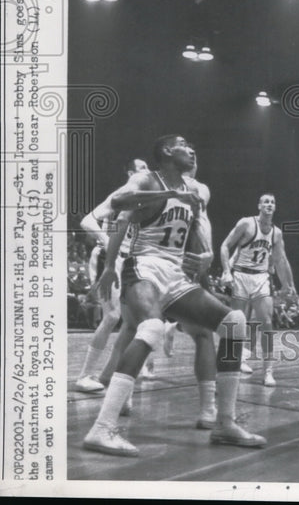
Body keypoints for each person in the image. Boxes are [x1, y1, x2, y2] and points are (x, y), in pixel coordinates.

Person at [83, 134, 265, 456]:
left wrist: (207, 256)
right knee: (150, 328)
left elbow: (196, 232)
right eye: (185, 145)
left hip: (176, 273)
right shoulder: (147, 178)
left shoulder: (195, 191)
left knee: (234, 322)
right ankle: (101, 428)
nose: (193, 150)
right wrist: (110, 265)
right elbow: (118, 206)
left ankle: (224, 423)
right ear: (168, 151)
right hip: (143, 267)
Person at [75, 158, 156, 393]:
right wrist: (107, 240)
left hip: (129, 260)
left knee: (137, 319)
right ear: (131, 173)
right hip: (107, 257)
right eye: (142, 167)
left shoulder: (145, 199)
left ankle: (112, 374)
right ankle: (84, 376)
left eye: (147, 167)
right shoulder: (123, 194)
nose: (147, 171)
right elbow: (87, 220)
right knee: (111, 316)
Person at [220, 193, 296, 387]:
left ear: (275, 208)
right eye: (266, 202)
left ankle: (268, 371)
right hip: (240, 275)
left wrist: (287, 285)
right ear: (259, 206)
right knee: (237, 322)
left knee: (267, 323)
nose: (269, 204)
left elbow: (280, 260)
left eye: (273, 202)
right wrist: (227, 271)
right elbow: (225, 246)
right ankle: (235, 361)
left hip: (261, 277)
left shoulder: (276, 233)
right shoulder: (246, 223)